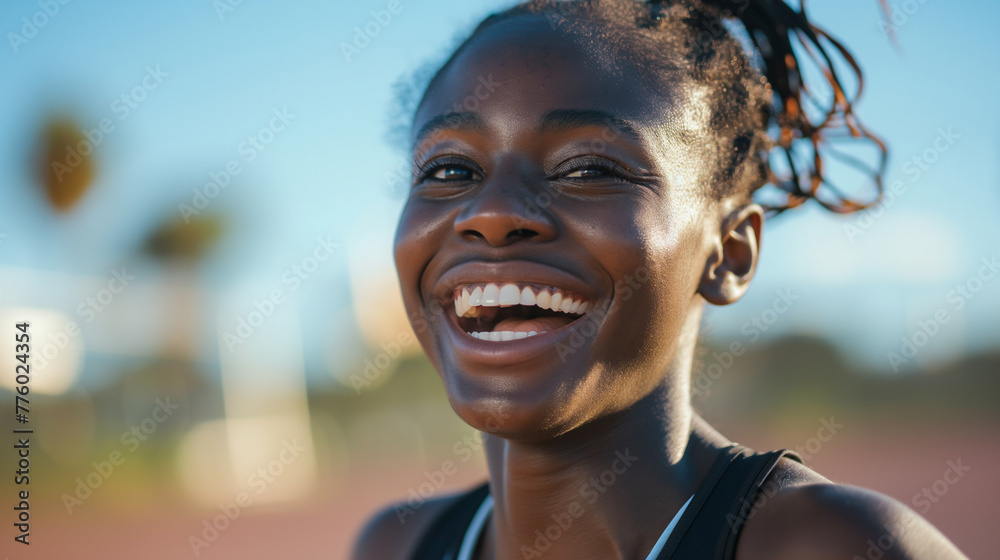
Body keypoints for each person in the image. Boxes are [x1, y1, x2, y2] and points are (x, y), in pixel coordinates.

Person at [353, 1, 968, 558]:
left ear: (730, 254)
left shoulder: (832, 547)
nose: (491, 213)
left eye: (588, 167)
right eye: (451, 168)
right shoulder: (396, 546)